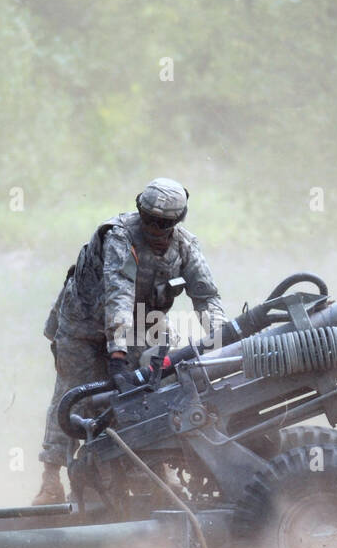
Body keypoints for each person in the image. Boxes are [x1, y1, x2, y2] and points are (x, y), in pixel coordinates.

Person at [33, 177, 226, 504]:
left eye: (162, 223)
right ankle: (51, 480)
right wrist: (117, 356)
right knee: (71, 394)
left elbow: (207, 297)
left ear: (176, 223)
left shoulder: (185, 247)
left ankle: (151, 469)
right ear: (139, 211)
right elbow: (119, 296)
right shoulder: (120, 237)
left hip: (138, 326)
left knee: (148, 391)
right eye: (147, 218)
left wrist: (221, 341)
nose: (153, 228)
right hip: (83, 325)